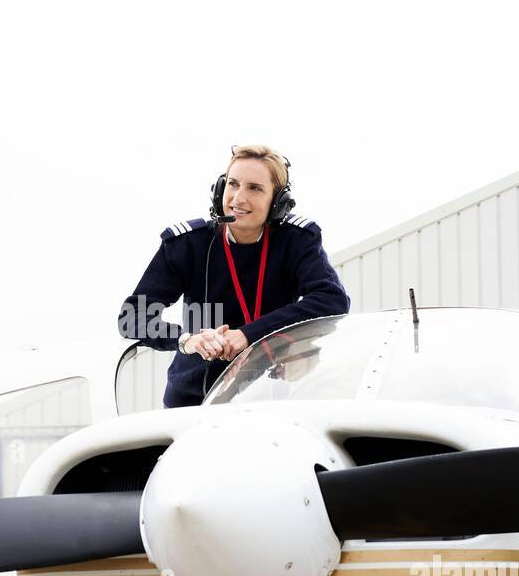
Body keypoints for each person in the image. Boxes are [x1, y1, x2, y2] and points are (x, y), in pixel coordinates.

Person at [117, 144, 351, 407]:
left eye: (255, 188)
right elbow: (132, 316)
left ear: (277, 202)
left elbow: (332, 299)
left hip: (272, 395)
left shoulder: (297, 240)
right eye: (233, 184)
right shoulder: (187, 244)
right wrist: (187, 340)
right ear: (219, 189)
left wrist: (249, 334)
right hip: (194, 400)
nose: (238, 198)